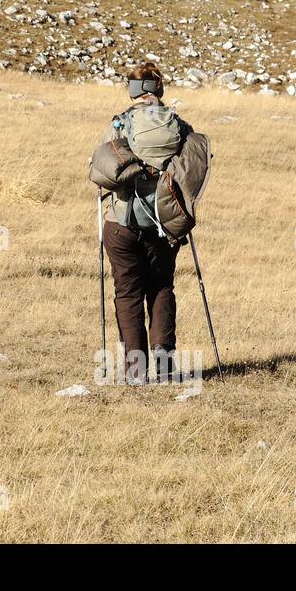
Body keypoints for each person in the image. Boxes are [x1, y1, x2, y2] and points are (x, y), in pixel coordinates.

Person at [97, 62, 193, 383]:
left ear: (134, 91)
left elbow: (102, 169)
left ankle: (135, 372)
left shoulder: (120, 125)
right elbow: (191, 171)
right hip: (165, 226)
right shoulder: (179, 126)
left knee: (128, 294)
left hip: (122, 223)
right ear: (158, 90)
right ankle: (165, 367)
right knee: (162, 287)